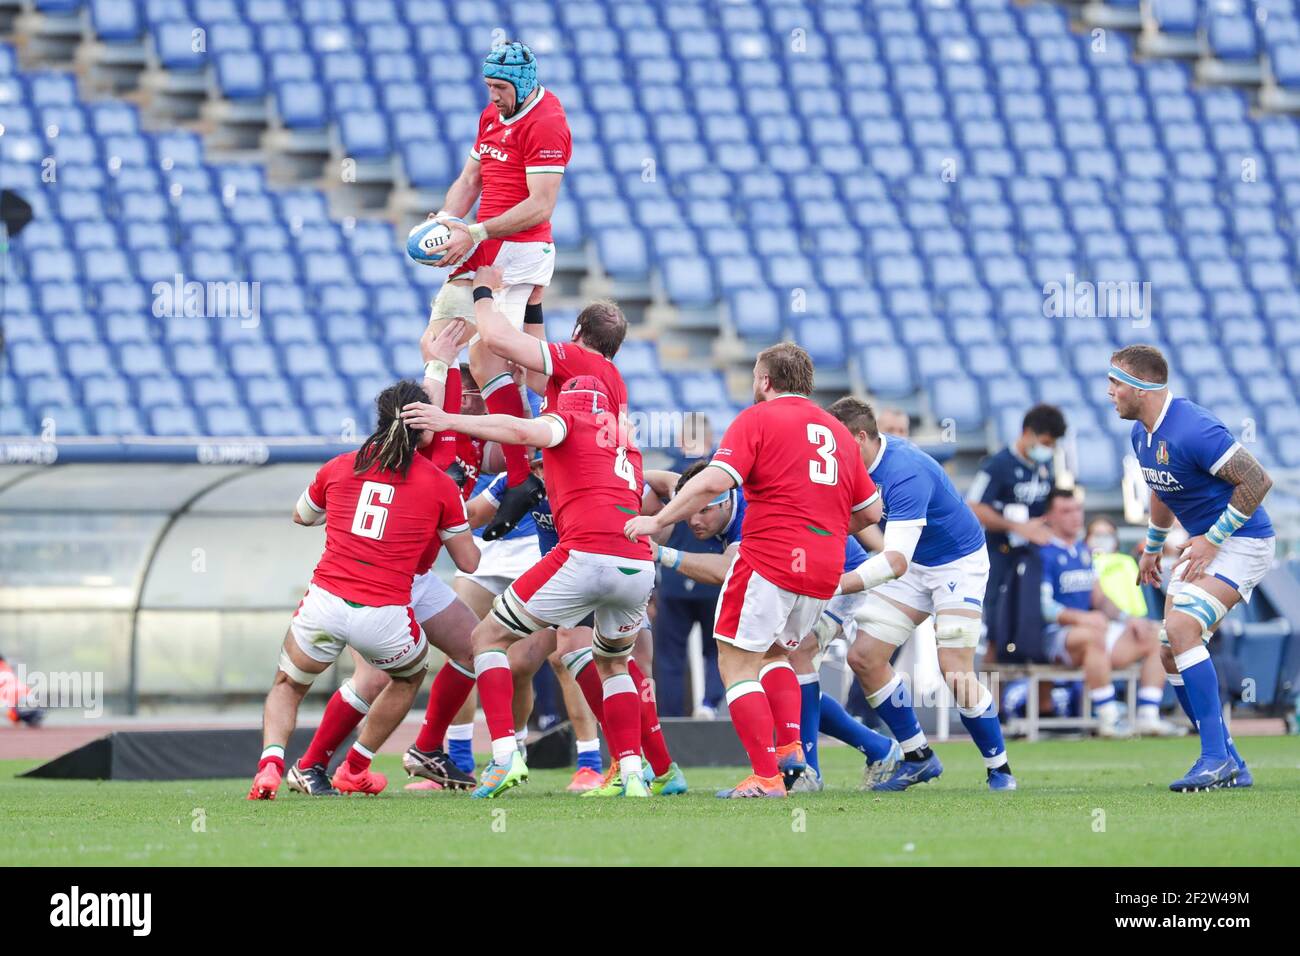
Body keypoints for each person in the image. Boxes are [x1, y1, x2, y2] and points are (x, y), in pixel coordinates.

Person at [404, 265, 657, 798]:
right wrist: (535, 299)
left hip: (584, 551)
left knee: (487, 638)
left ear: (577, 341)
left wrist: (483, 289)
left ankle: (503, 755)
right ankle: (634, 772)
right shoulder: (623, 431)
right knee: (610, 663)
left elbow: (516, 401)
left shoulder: (568, 413)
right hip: (637, 562)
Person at [624, 344, 882, 798]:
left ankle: (766, 776)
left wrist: (658, 520)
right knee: (776, 654)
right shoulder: (838, 433)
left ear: (765, 381)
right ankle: (789, 753)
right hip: (824, 569)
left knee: (734, 659)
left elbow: (713, 480)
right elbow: (870, 511)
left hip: (771, 558)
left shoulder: (756, 419)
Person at [248, 381, 481, 800]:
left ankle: (270, 766)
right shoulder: (439, 482)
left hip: (326, 601)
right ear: (425, 429)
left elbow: (302, 516)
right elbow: (469, 563)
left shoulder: (340, 465)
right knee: (407, 676)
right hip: (387, 608)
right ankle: (351, 764)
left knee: (288, 685)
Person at [646, 461, 897, 792]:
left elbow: (726, 570)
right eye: (688, 511)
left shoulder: (746, 509)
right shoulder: (703, 486)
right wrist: (631, 473)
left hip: (840, 580)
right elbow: (666, 480)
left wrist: (662, 553)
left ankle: (808, 771)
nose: (693, 519)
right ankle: (877, 749)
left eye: (704, 511)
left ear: (725, 499)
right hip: (806, 570)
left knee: (792, 658)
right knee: (775, 671)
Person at [829, 397, 1017, 792]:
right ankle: (918, 758)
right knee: (864, 657)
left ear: (861, 437)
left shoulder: (905, 471)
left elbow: (893, 561)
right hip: (914, 564)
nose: (831, 451)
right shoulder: (851, 465)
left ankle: (999, 770)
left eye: (837, 441)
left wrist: (835, 583)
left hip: (956, 564)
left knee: (954, 668)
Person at [1108, 345, 1274, 791]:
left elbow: (1258, 481)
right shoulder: (1141, 434)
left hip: (1242, 542)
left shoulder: (1194, 428)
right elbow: (1163, 490)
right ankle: (1232, 761)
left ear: (1142, 389)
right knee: (1168, 649)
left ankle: (1214, 758)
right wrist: (1152, 546)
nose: (1110, 392)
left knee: (1182, 631)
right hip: (1205, 545)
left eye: (1116, 382)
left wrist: (1211, 539)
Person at [422, 41, 571, 539]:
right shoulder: (491, 116)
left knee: (476, 349)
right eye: (489, 87)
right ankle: (510, 471)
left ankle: (503, 470)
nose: (494, 96)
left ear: (524, 84)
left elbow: (541, 205)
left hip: (521, 251)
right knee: (455, 350)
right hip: (487, 249)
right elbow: (470, 178)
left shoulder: (547, 122)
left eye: (501, 88)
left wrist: (478, 232)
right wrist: (448, 219)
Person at [1038, 489, 1177, 737]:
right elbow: (1043, 606)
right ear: (1050, 516)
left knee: (1156, 634)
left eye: (1077, 510)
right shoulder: (1042, 552)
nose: (1075, 517)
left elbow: (1099, 597)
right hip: (1055, 635)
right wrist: (1082, 618)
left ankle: (1148, 714)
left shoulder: (1082, 551)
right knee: (1094, 634)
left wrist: (1128, 618)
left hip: (1092, 633)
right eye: (1066, 511)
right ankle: (1108, 717)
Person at [653, 417, 725, 717]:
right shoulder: (721, 475)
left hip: (673, 577)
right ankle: (708, 705)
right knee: (719, 651)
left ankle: (672, 720)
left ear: (683, 439)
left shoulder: (669, 475)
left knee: (670, 657)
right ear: (709, 438)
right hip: (714, 576)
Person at [967, 403, 1067, 608]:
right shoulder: (997, 465)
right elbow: (974, 507)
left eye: (1053, 445)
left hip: (1034, 552)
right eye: (1046, 443)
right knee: (999, 612)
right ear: (1028, 433)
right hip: (1000, 552)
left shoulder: (1045, 465)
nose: (1049, 449)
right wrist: (1017, 527)